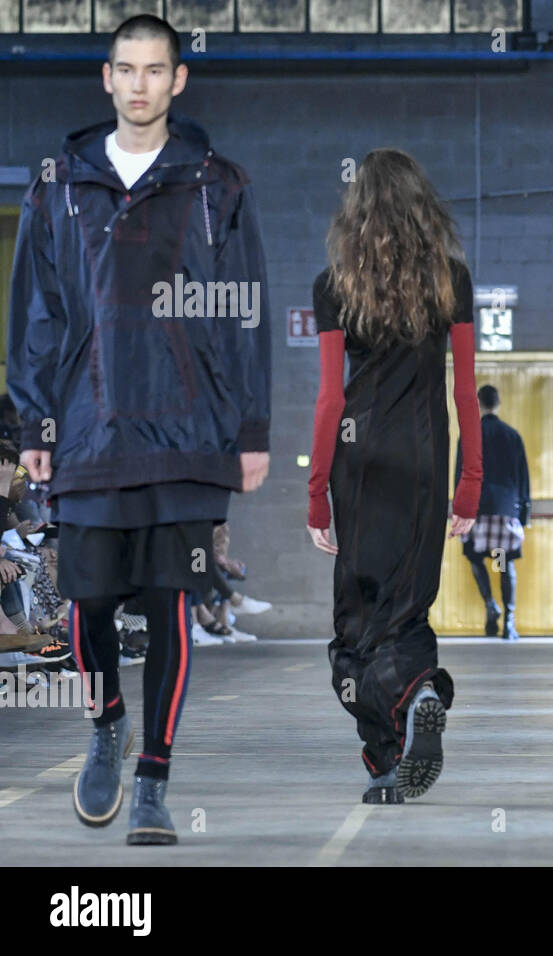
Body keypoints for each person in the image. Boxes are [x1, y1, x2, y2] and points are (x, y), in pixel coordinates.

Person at [7, 14, 271, 845]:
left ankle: (153, 778)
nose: (141, 84)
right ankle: (106, 722)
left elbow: (245, 315)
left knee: (168, 605)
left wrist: (251, 427)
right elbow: (38, 314)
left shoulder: (217, 184)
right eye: (127, 68)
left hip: (187, 433)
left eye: (156, 69)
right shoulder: (59, 185)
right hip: (86, 430)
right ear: (107, 77)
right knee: (84, 603)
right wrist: (33, 422)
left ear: (177, 80)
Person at [307, 148, 482, 804]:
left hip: (359, 459)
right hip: (423, 459)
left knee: (356, 617)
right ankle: (421, 691)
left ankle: (385, 757)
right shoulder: (451, 280)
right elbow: (466, 392)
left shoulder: (333, 285)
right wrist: (469, 483)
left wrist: (316, 494)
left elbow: (329, 401)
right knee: (406, 606)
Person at [456, 385, 530, 641]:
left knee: (475, 557)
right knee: (503, 561)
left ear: (479, 403)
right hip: (505, 510)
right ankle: (508, 622)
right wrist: (523, 514)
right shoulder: (512, 436)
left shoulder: (469, 436)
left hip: (478, 510)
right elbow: (523, 478)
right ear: (498, 403)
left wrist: (459, 511)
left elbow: (461, 474)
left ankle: (490, 604)